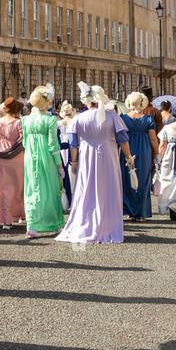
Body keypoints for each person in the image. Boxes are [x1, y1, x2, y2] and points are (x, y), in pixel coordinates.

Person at [56, 84, 134, 244]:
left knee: (86, 190)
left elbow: (73, 144)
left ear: (86, 100)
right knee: (108, 190)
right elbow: (123, 140)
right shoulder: (111, 116)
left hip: (86, 158)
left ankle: (86, 222)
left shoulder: (79, 118)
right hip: (108, 158)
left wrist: (75, 161)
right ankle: (108, 225)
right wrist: (128, 157)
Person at [21, 85, 64, 237]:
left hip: (30, 157)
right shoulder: (50, 120)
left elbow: (25, 142)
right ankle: (54, 223)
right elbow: (53, 145)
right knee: (51, 189)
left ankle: (32, 225)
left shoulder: (25, 120)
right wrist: (59, 165)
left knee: (32, 188)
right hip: (46, 156)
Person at [0, 97, 25, 230]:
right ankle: (20, 215)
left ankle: (6, 220)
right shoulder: (19, 123)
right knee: (18, 188)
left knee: (1, 190)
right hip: (17, 158)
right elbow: (23, 141)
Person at [119, 92, 159, 222]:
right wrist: (157, 153)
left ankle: (128, 209)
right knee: (143, 180)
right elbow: (153, 139)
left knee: (127, 179)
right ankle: (140, 213)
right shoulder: (148, 119)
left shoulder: (123, 118)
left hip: (127, 149)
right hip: (143, 150)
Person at [56, 100, 76, 209]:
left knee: (63, 175)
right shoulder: (75, 122)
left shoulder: (58, 123)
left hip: (62, 150)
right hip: (72, 149)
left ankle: (65, 199)